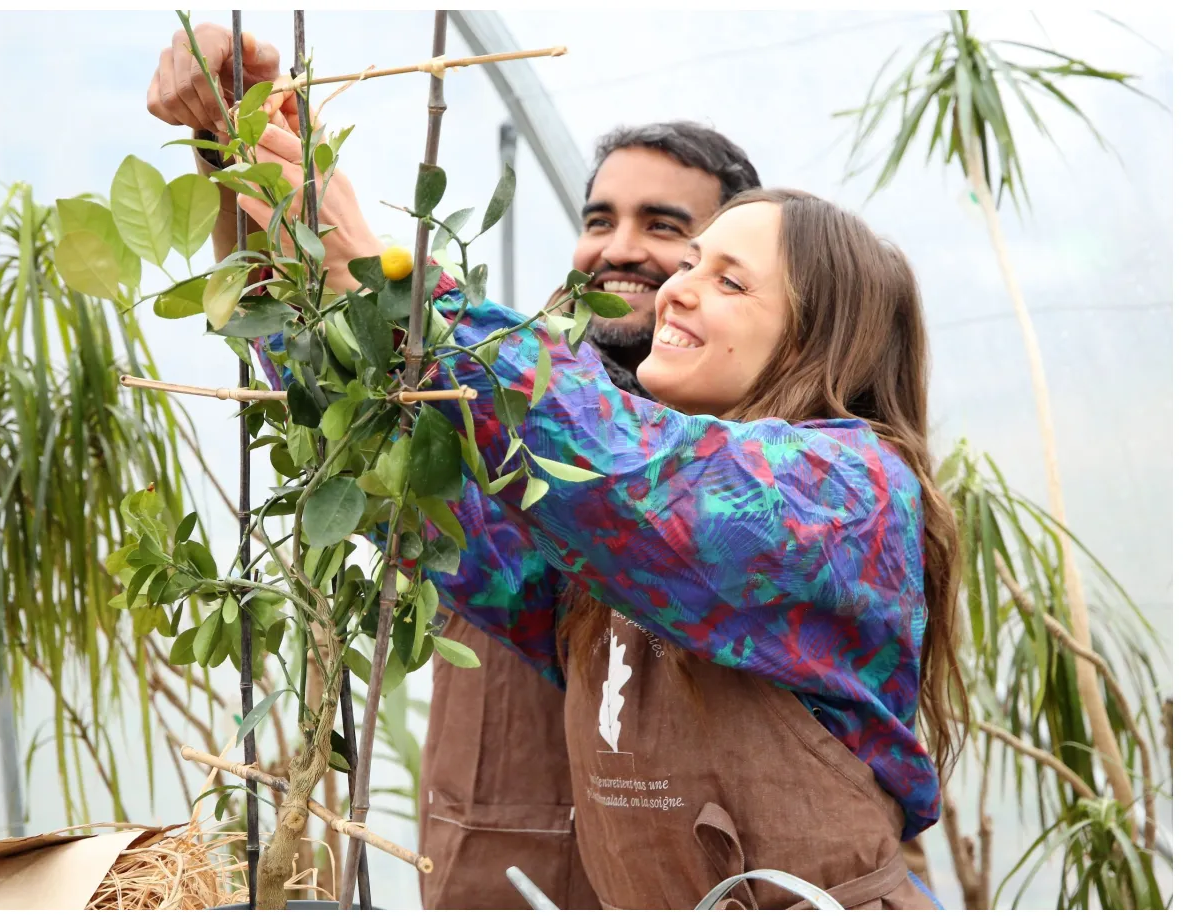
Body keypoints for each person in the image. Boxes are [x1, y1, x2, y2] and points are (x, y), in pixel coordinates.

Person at [146, 25, 764, 909]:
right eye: (599, 221)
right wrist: (237, 143)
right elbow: (331, 379)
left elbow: (618, 465)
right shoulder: (478, 395)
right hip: (496, 879)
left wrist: (377, 276)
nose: (620, 249)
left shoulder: (775, 464)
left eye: (666, 228)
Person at [234, 169, 966, 905]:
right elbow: (403, 477)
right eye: (690, 265)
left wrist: (399, 289)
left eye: (730, 283)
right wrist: (277, 229)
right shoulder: (586, 520)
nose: (678, 290)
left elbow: (632, 471)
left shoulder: (848, 492)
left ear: (817, 341)